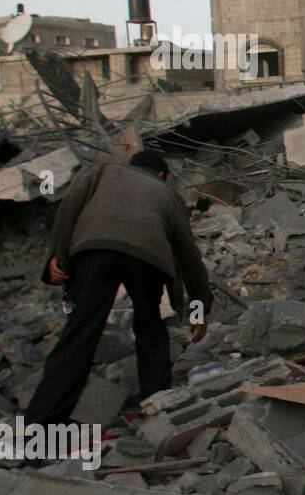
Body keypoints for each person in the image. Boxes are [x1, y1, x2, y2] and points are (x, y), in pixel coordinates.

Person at [24, 151, 213, 426]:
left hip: (93, 251)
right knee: (150, 330)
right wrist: (199, 310)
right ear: (162, 175)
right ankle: (158, 409)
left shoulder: (100, 172)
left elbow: (68, 210)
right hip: (148, 260)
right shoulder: (167, 193)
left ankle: (40, 427)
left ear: (130, 167)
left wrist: (57, 257)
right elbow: (189, 257)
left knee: (79, 336)